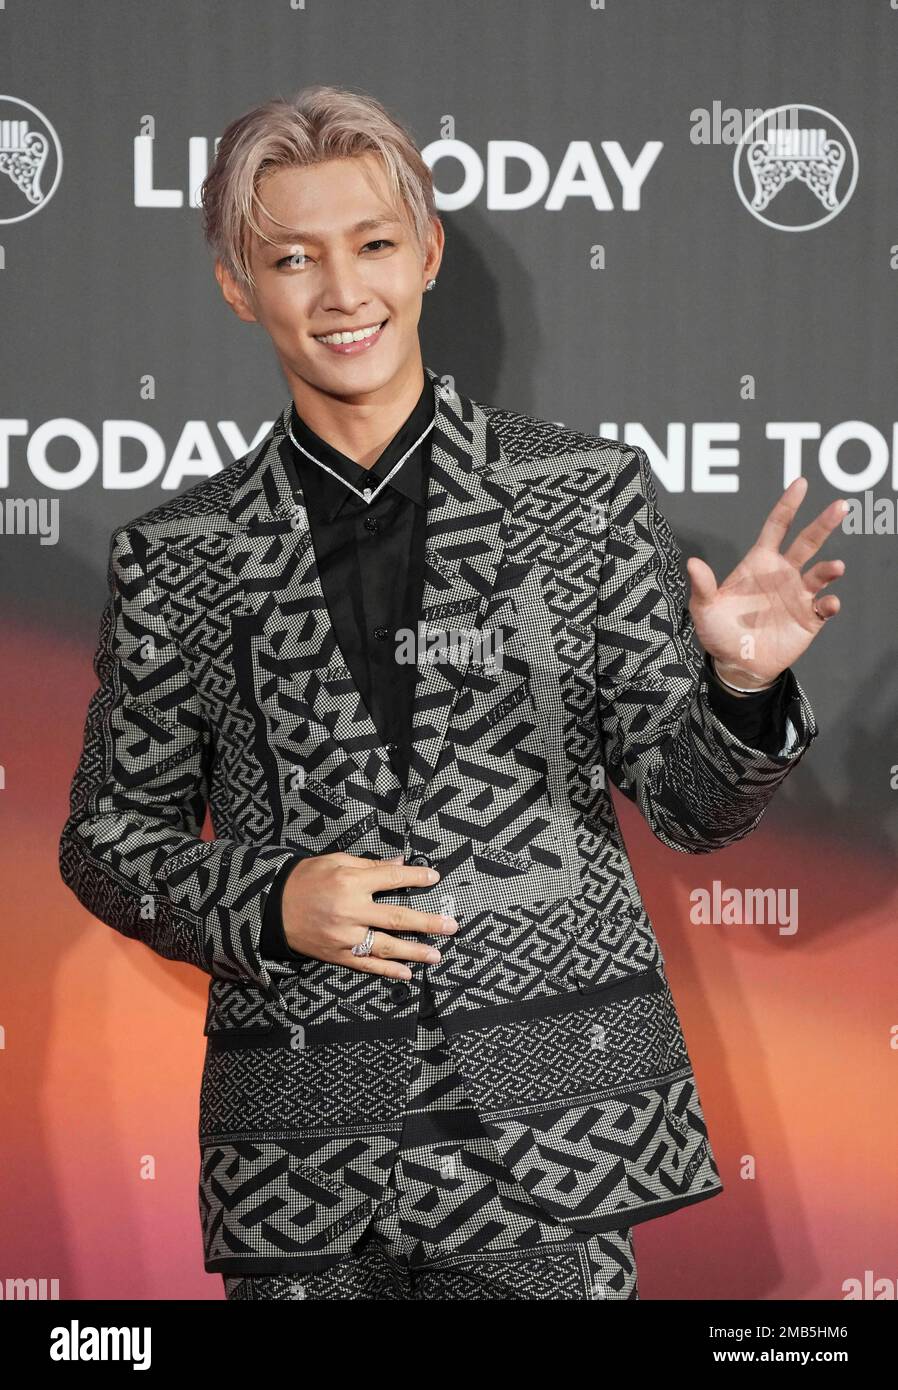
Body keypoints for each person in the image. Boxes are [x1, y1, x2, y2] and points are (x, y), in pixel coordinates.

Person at [59, 84, 845, 1301]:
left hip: (552, 1132)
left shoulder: (579, 495)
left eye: (372, 243)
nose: (341, 291)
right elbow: (110, 839)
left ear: (425, 253)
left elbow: (692, 804)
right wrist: (271, 900)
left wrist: (741, 684)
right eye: (292, 257)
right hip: (303, 1149)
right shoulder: (181, 553)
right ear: (236, 283)